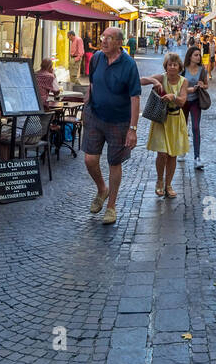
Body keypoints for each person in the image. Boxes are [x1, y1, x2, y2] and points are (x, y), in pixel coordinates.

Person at [81, 26, 141, 225]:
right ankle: (102, 189)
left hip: (119, 121)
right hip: (96, 116)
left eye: (109, 38)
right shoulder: (97, 58)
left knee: (114, 163)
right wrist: (86, 107)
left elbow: (135, 97)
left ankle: (111, 206)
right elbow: (92, 84)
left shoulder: (129, 65)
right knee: (90, 160)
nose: (103, 41)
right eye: (102, 37)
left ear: (118, 42)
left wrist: (132, 129)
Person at [141, 52, 189, 198]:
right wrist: (154, 82)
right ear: (166, 66)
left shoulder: (183, 81)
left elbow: (182, 101)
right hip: (161, 119)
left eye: (175, 64)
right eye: (170, 64)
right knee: (162, 153)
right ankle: (159, 181)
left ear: (179, 66)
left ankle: (169, 185)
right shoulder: (162, 77)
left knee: (172, 155)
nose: (172, 67)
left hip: (176, 120)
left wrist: (173, 96)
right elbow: (140, 80)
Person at [181, 45, 209, 170]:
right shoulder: (182, 69)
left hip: (196, 101)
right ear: (190, 56)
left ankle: (197, 157)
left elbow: (206, 85)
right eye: (196, 55)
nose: (198, 57)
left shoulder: (202, 70)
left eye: (199, 55)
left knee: (196, 128)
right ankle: (182, 150)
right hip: (183, 101)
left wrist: (202, 85)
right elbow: (177, 85)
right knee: (182, 127)